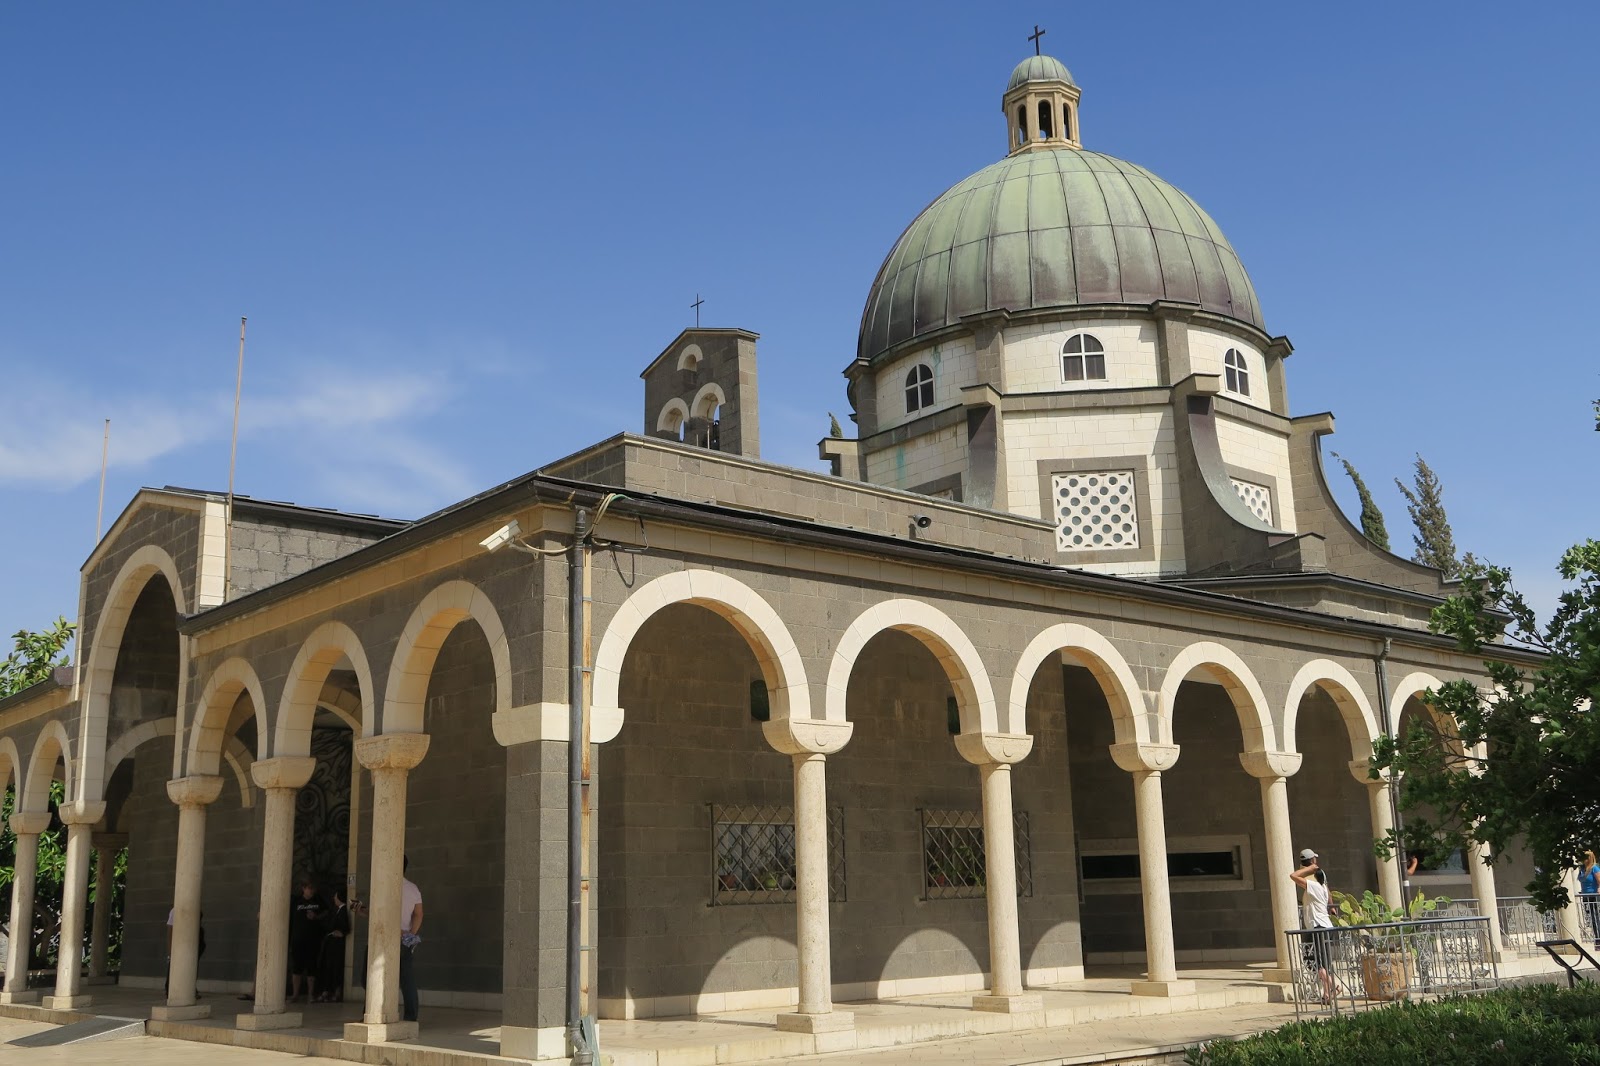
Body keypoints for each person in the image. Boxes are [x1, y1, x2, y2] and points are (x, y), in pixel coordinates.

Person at [1291, 848, 1336, 1004]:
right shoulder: (1321, 885)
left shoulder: (1314, 885)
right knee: (1320, 961)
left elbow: (1293, 876)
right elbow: (1329, 892)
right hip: (1323, 926)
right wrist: (1331, 907)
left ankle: (1330, 987)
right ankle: (1328, 991)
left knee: (1313, 960)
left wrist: (1309, 869)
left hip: (1317, 926)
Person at [315, 888, 359, 1003]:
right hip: (330, 943)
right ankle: (326, 991)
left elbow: (345, 927)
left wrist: (341, 933)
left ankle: (336, 992)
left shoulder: (343, 910)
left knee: (335, 967)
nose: (334, 898)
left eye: (335, 896)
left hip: (337, 945)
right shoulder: (335, 909)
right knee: (328, 966)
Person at [289, 877, 329, 1004]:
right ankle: (295, 994)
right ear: (303, 889)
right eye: (309, 888)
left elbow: (327, 912)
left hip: (313, 939)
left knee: (312, 967)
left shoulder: (318, 900)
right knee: (297, 967)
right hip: (298, 939)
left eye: (313, 888)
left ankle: (311, 995)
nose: (311, 891)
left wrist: (316, 917)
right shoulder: (296, 901)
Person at [400, 856, 424, 1024]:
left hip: (384, 939)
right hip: (404, 940)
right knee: (407, 978)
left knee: (370, 975)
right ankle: (411, 1016)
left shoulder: (383, 886)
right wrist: (410, 934)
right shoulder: (412, 888)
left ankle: (373, 1013)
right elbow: (419, 914)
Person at [1580, 850, 1600, 948]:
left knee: (1596, 917)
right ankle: (1597, 939)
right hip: (1585, 896)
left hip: (1593, 895)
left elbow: (1599, 881)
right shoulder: (1582, 869)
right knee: (1592, 919)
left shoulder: (1594, 868)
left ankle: (1598, 940)